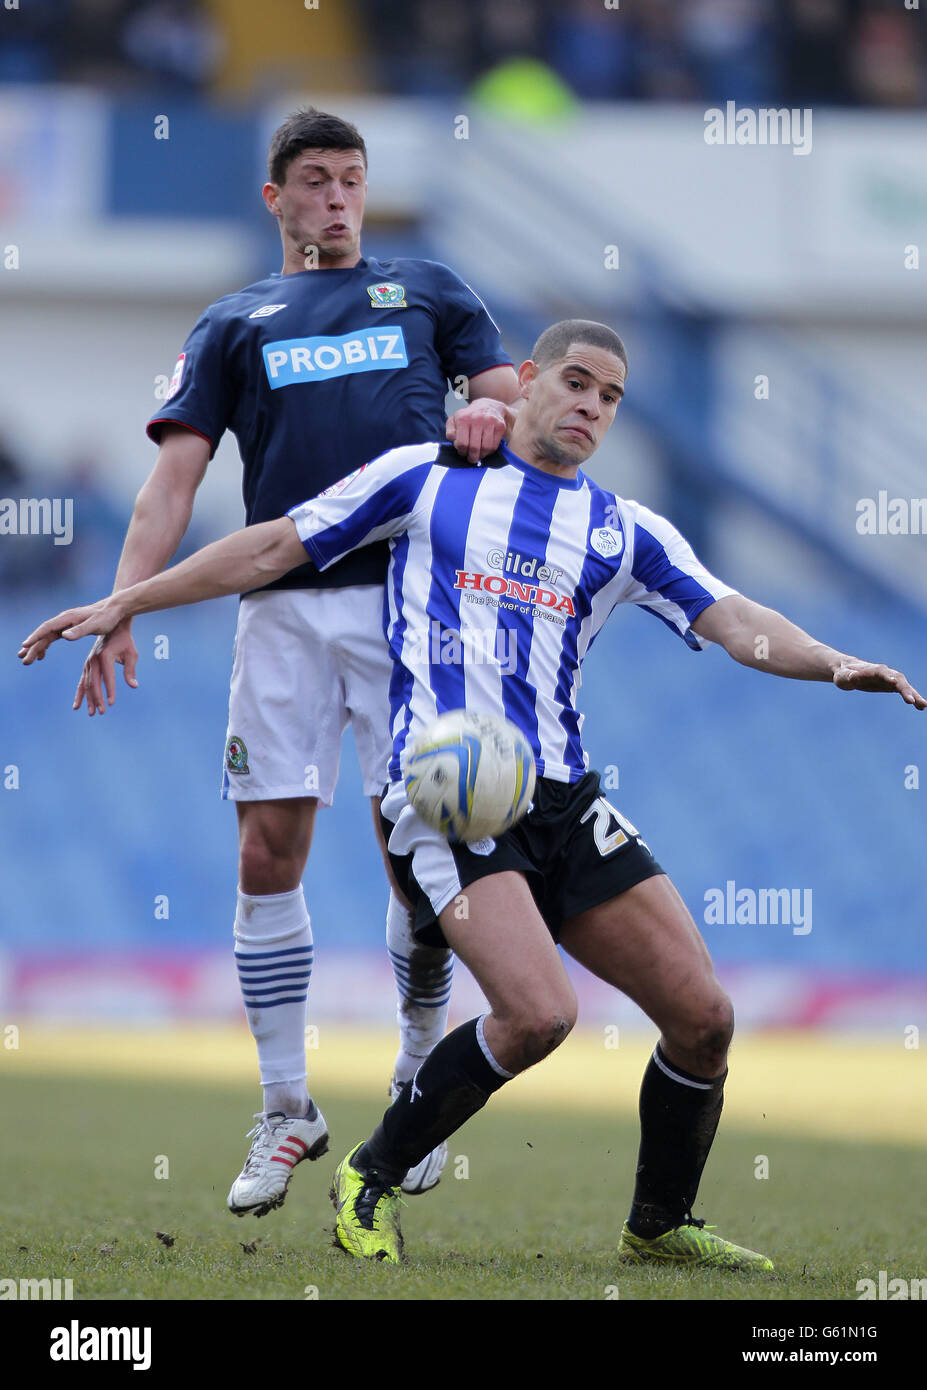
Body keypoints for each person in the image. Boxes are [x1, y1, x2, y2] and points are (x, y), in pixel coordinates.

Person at [21, 319, 923, 1269]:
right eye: (575, 382)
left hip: (563, 801)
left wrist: (832, 663)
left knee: (704, 1020)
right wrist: (130, 598)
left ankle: (658, 1224)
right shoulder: (426, 479)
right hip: (451, 798)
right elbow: (271, 548)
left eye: (610, 398)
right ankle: (370, 1173)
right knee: (539, 1015)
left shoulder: (622, 529)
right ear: (524, 381)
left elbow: (735, 620)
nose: (590, 407)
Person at [68, 106, 519, 1214]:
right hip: (278, 610)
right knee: (268, 852)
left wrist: (490, 418)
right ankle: (286, 1106)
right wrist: (125, 602)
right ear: (275, 199)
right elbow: (171, 484)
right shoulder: (235, 320)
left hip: (407, 606)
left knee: (416, 858)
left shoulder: (428, 291)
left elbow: (509, 391)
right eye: (313, 180)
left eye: (351, 179)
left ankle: (419, 1080)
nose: (335, 197)